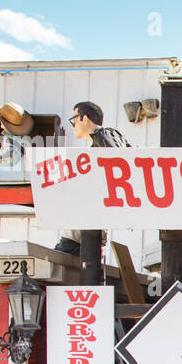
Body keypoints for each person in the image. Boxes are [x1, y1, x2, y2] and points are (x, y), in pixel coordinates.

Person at [60, 102, 131, 255]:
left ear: (84, 118)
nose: (73, 126)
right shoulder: (101, 142)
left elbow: (118, 162)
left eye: (74, 120)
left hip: (81, 233)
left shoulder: (103, 135)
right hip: (88, 229)